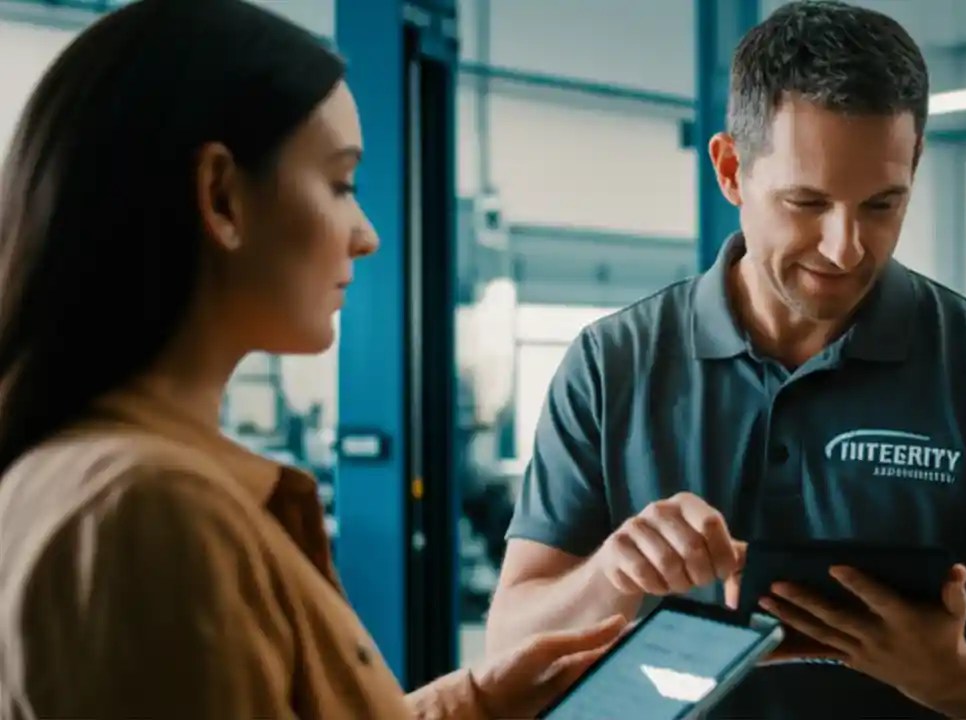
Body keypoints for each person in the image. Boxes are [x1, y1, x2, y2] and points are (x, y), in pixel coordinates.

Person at [0, 1, 623, 718]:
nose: (366, 237)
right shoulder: (150, 514)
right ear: (222, 197)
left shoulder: (102, 480)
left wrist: (477, 703)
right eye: (340, 184)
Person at [485, 2, 966, 718]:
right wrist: (610, 576)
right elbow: (506, 646)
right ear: (729, 170)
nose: (845, 247)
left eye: (882, 205)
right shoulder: (611, 365)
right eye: (806, 202)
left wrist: (952, 675)